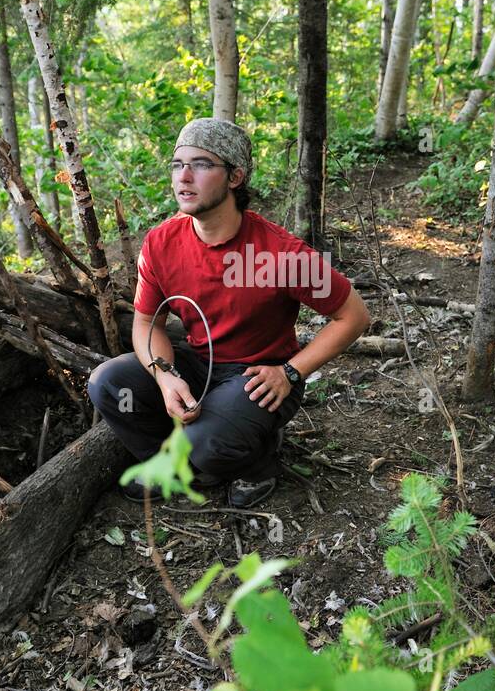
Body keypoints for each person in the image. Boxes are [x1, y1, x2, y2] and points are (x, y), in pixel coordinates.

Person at [86, 117, 371, 507]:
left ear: (235, 177)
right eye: (177, 164)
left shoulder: (280, 253)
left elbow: (353, 316)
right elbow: (145, 322)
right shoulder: (160, 243)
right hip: (197, 362)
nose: (183, 177)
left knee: (206, 439)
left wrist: (291, 372)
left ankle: (258, 463)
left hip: (261, 378)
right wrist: (166, 377)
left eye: (201, 164)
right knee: (107, 382)